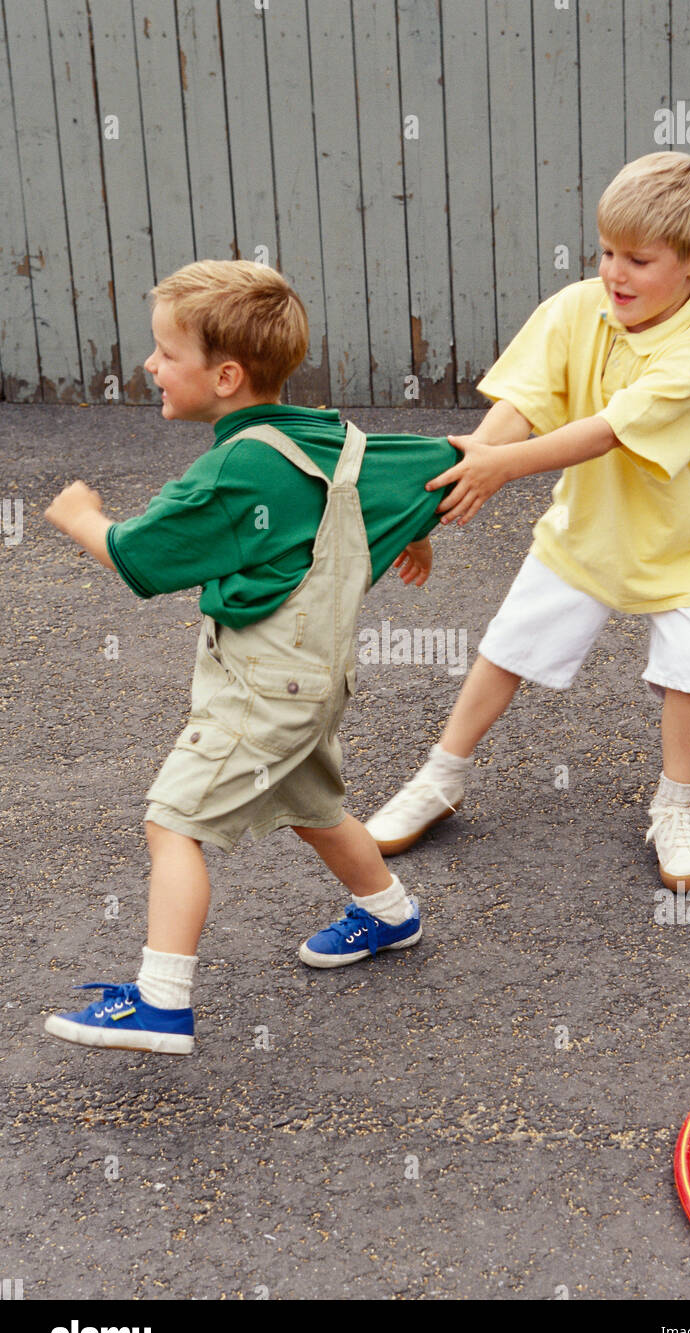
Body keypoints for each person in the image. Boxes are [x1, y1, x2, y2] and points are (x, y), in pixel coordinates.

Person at [43, 259, 457, 1054]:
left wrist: (79, 517)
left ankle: (162, 1000)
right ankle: (390, 913)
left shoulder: (233, 468)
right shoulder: (327, 435)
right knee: (311, 805)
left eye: (166, 353)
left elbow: (137, 557)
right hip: (310, 683)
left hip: (261, 689)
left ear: (225, 375)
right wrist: (414, 530)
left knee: (171, 822)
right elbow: (416, 470)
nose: (150, 366)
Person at [366, 153, 690, 896]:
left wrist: (502, 469)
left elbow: (603, 430)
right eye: (606, 252)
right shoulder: (578, 307)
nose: (615, 273)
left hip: (682, 545)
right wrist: (460, 473)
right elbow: (527, 403)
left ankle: (675, 809)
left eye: (639, 259)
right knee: (506, 647)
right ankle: (440, 778)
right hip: (586, 532)